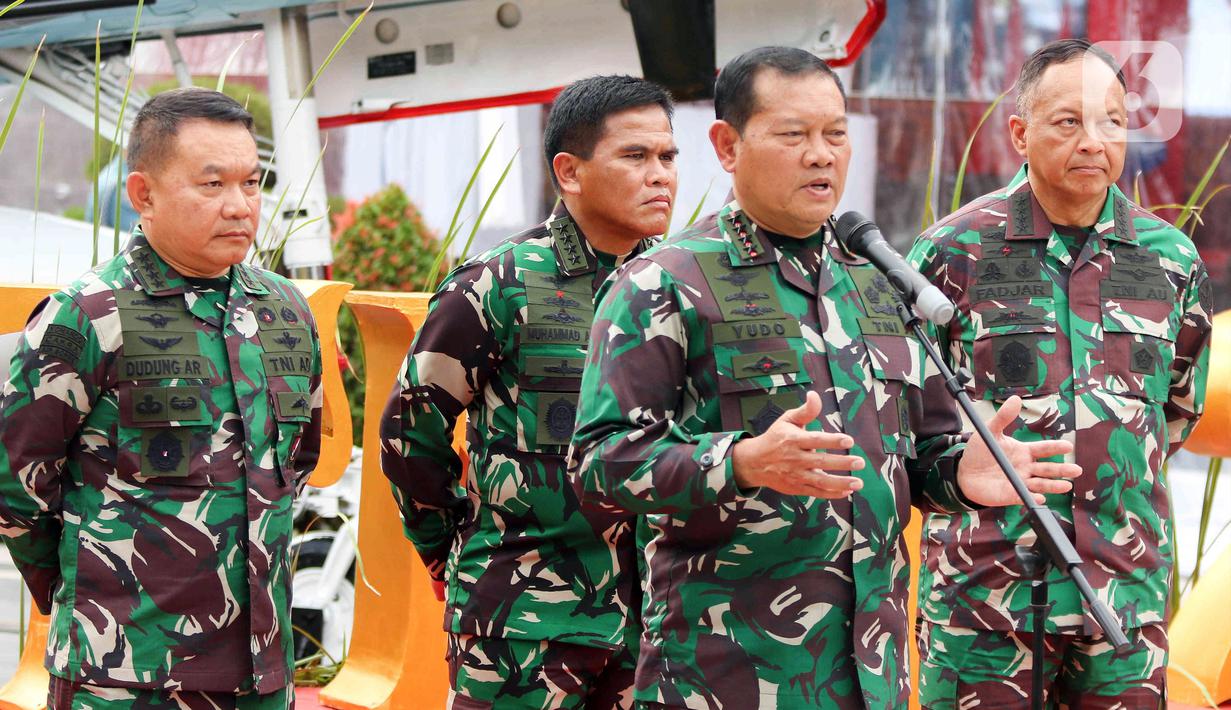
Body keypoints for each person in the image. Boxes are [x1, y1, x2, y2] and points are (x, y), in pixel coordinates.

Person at [566, 46, 1082, 709]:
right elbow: (598, 464)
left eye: (834, 134)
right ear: (727, 145)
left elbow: (922, 454)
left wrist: (959, 475)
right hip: (726, 682)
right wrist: (742, 462)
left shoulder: (876, 287)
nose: (821, 155)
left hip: (872, 680)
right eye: (794, 135)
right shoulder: (663, 284)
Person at [908, 38, 1213, 708]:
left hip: (1123, 599)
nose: (1092, 141)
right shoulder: (951, 253)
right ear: (1020, 132)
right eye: (1067, 122)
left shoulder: (1169, 259)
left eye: (1109, 120)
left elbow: (1174, 410)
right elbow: (905, 422)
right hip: (985, 602)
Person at [0, 87, 322, 708]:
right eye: (211, 186)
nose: (239, 207)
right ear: (143, 195)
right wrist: (84, 587)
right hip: (127, 675)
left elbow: (294, 463)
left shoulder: (284, 310)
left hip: (262, 671)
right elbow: (15, 481)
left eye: (251, 184)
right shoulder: (88, 315)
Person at [379, 74, 677, 709]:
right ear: (569, 171)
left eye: (668, 157)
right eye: (636, 156)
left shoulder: (677, 289)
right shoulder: (499, 285)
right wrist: (447, 548)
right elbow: (410, 433)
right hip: (521, 624)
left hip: (654, 624)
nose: (661, 176)